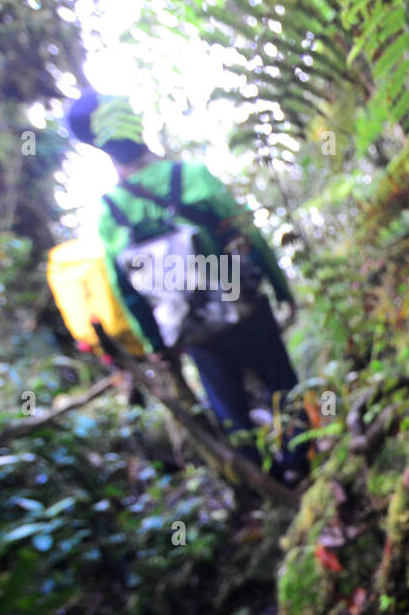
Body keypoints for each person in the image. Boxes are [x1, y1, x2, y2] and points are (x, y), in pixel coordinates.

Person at [67, 90, 308, 484]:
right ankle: (298, 462)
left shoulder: (110, 213)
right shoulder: (191, 176)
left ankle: (264, 481)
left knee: (228, 405)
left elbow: (125, 288)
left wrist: (156, 344)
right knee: (281, 383)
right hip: (239, 297)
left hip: (187, 320)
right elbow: (248, 236)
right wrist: (281, 290)